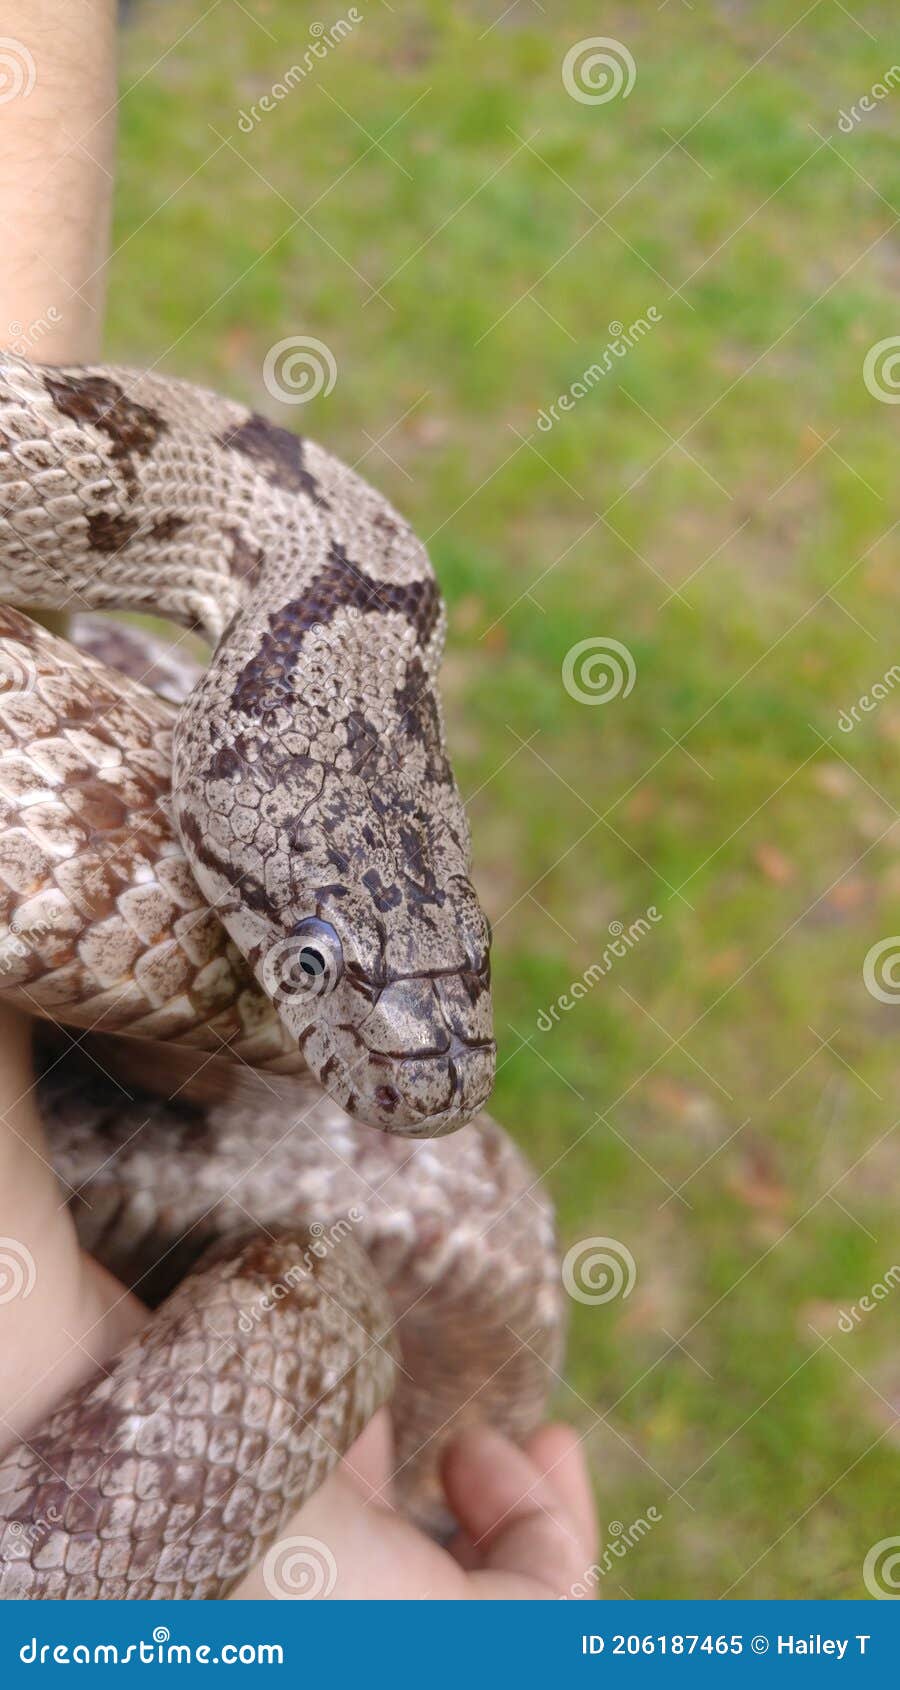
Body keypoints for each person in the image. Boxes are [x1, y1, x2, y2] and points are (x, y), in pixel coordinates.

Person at [0, 0, 598, 1599]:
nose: (408, 1073)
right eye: (316, 970)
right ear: (199, 762)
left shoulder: (327, 589)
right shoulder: (232, 626)